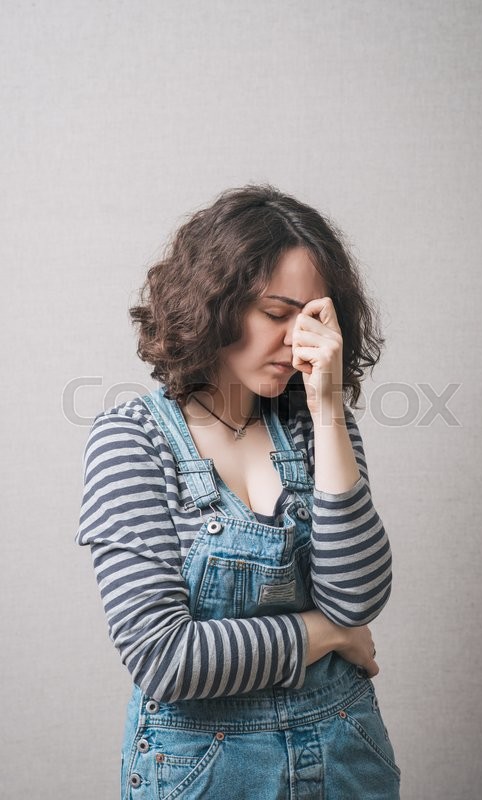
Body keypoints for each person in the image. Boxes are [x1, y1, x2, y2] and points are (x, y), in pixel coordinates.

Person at [76, 184, 401, 799]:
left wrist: (328, 407)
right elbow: (164, 658)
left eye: (311, 320)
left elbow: (356, 598)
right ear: (214, 305)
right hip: (203, 770)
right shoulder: (131, 439)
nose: (296, 341)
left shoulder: (313, 427)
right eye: (276, 315)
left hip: (346, 753)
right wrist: (324, 636)